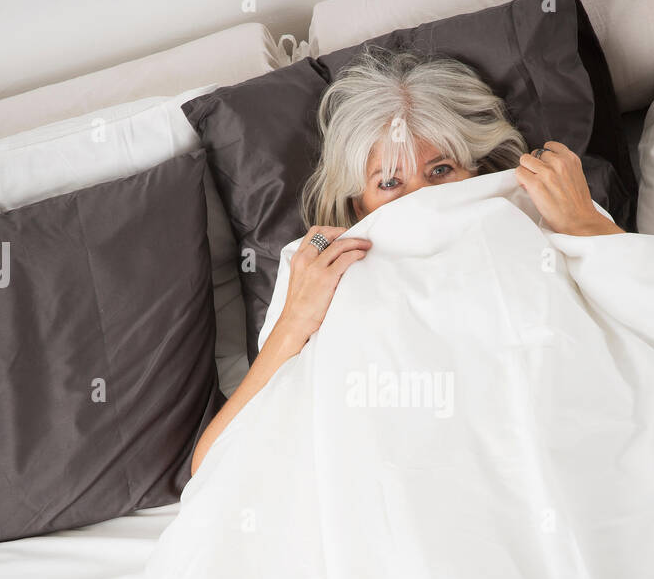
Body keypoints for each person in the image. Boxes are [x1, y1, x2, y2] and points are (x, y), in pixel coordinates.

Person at [191, 45, 623, 474]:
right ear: (359, 205)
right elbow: (210, 463)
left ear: (474, 170)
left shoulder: (536, 208)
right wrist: (294, 322)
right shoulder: (314, 267)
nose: (421, 200)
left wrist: (584, 224)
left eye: (440, 171)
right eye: (390, 182)